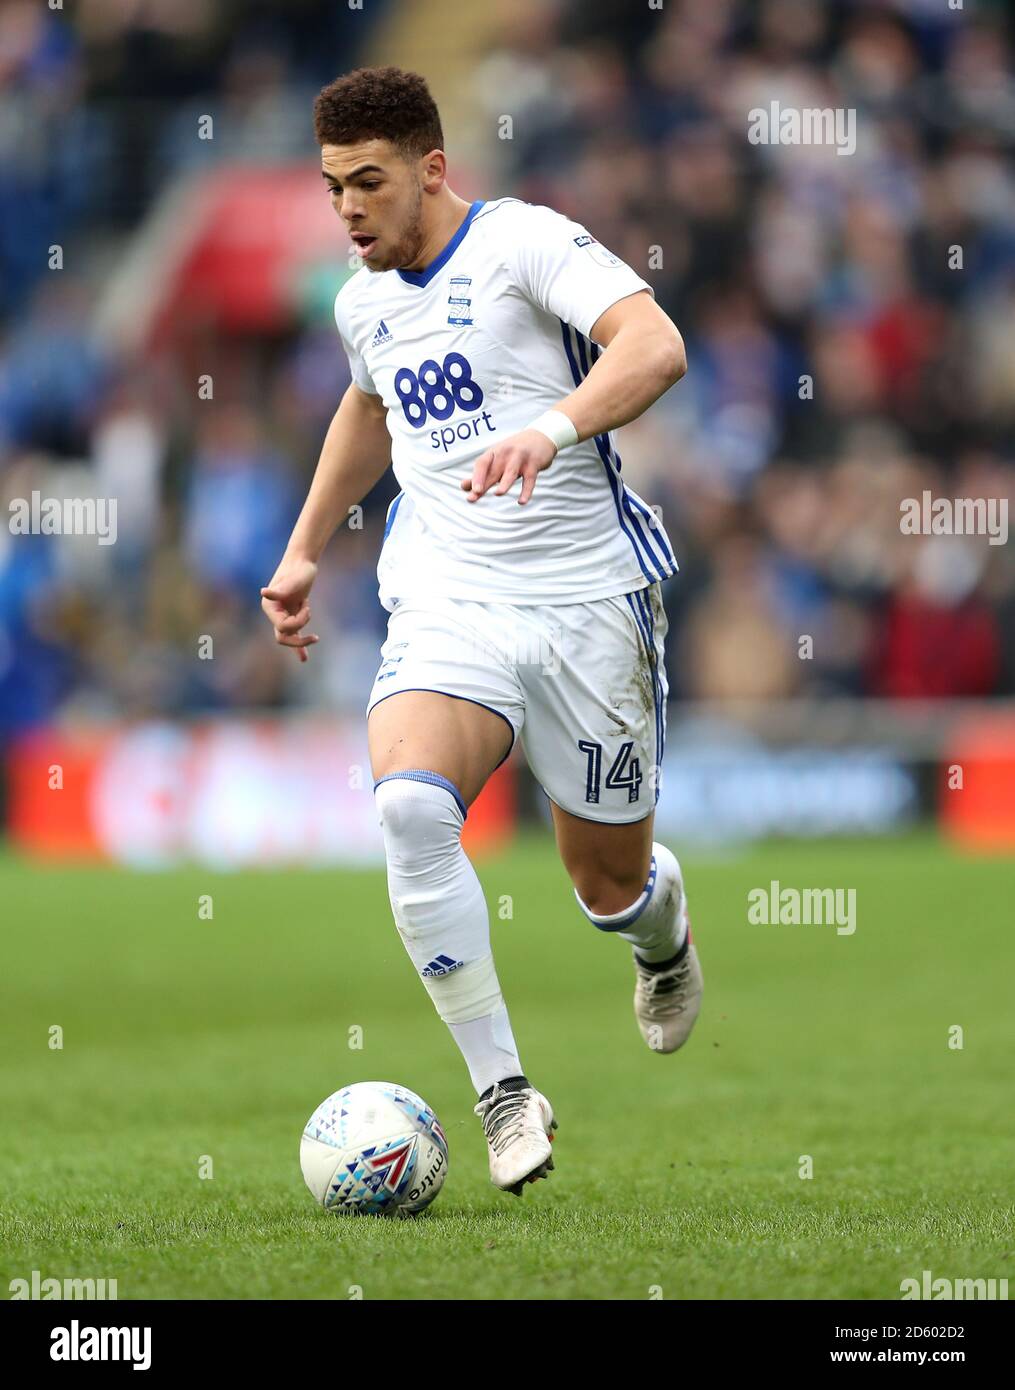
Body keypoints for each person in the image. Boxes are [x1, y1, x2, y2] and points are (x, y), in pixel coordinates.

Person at [261, 66, 702, 1197]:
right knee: (410, 806)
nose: (348, 209)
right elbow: (373, 401)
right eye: (331, 188)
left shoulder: (526, 243)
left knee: (606, 884)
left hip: (588, 606)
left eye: (369, 183)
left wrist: (549, 431)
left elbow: (655, 349)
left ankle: (659, 932)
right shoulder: (361, 298)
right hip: (447, 599)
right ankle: (505, 1094)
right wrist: (306, 545)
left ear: (432, 169)